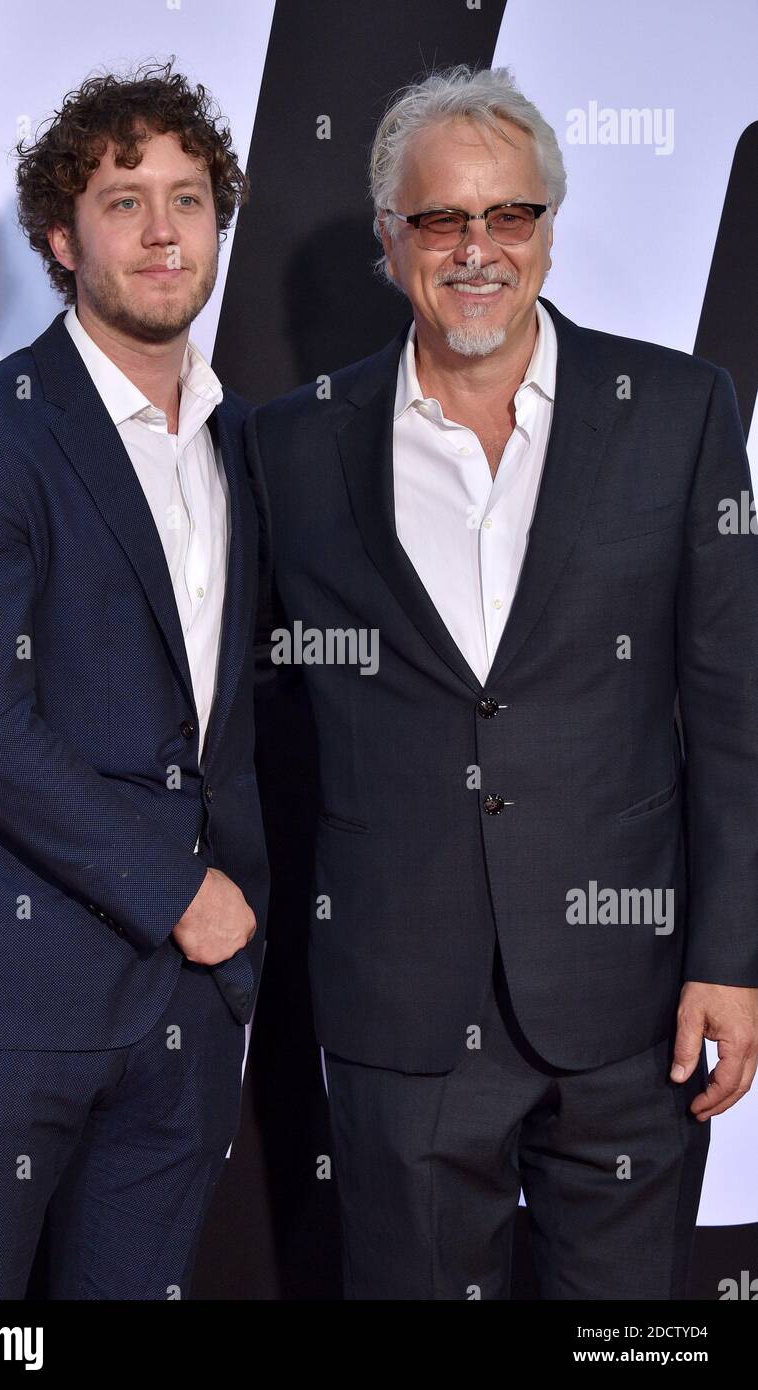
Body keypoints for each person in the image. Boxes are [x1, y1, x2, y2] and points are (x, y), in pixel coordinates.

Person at [247, 65, 758, 1299]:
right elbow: (229, 688)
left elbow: (737, 708)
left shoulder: (677, 413)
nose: (477, 250)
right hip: (394, 1005)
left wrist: (731, 955)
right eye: (440, 220)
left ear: (546, 229)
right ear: (390, 240)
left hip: (630, 1002)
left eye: (508, 215)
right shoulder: (289, 444)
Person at [0, 62, 267, 1300]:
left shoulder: (240, 443)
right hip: (8, 998)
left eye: (188, 196)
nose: (164, 229)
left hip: (191, 1014)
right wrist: (181, 891)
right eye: (123, 200)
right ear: (61, 234)